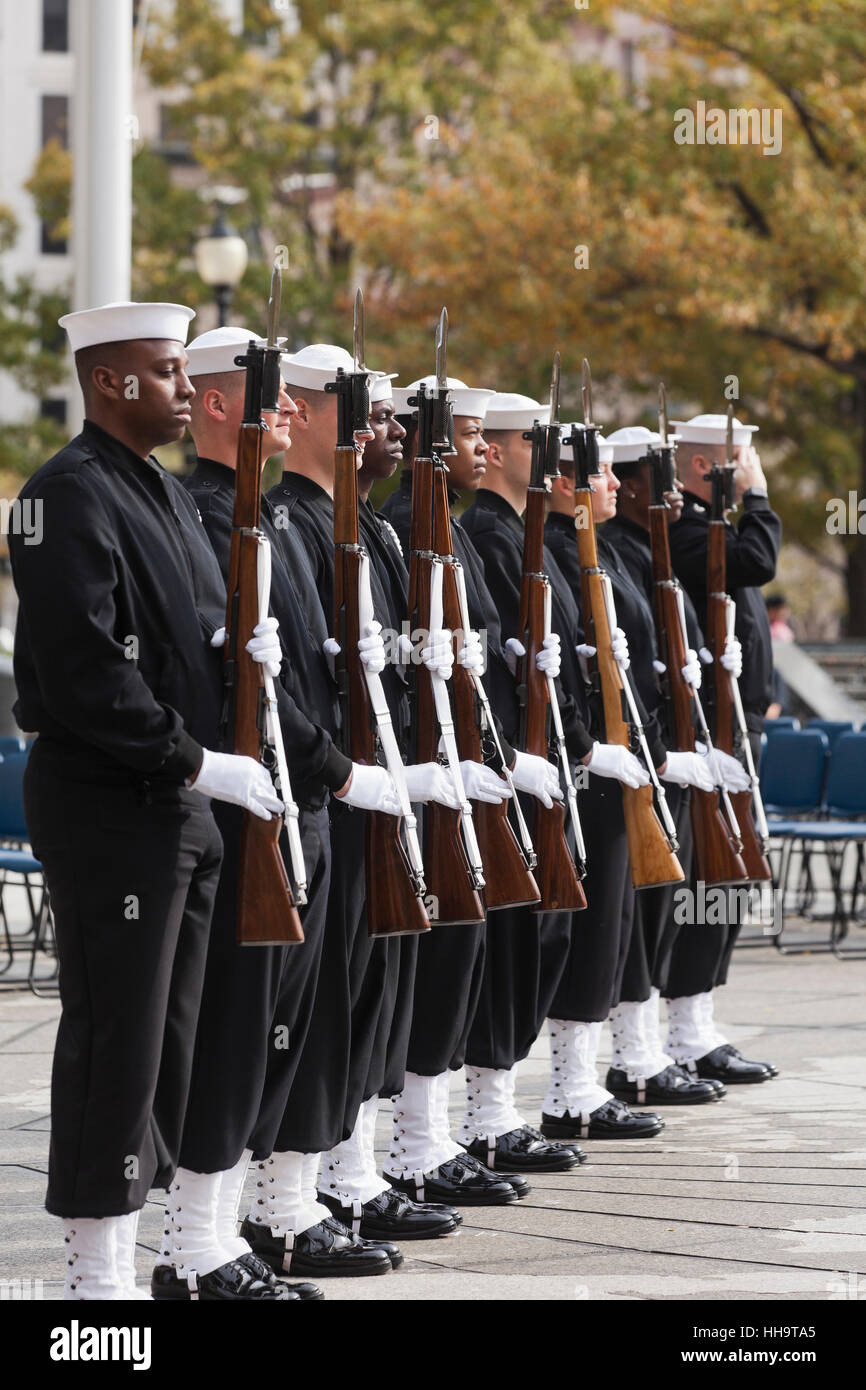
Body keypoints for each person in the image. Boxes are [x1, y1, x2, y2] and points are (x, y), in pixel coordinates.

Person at [10, 301, 284, 1300]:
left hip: (180, 804)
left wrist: (243, 660)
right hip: (113, 804)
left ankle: (180, 1247)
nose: (183, 389)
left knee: (176, 1039)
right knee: (116, 1040)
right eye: (165, 371)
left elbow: (187, 641)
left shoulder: (163, 497)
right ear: (108, 381)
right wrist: (193, 758)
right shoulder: (62, 497)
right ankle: (93, 1276)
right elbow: (84, 675)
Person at [260, 344, 462, 1253]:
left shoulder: (368, 528)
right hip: (327, 790)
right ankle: (283, 1195)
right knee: (321, 1003)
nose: (384, 433)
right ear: (304, 415)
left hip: (375, 786)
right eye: (366, 414)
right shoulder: (288, 522)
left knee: (375, 995)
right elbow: (300, 678)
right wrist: (343, 771)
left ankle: (352, 1171)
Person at [380, 378, 579, 1198]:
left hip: (480, 766)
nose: (482, 450)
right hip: (429, 776)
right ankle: (408, 1144)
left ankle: (458, 1126)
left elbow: (486, 648)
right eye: (466, 435)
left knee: (491, 949)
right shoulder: (410, 528)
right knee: (431, 965)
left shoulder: (461, 533)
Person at [666, 413, 781, 1082]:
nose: (751, 475)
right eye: (743, 462)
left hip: (740, 727)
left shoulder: (713, 532)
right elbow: (760, 561)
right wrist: (759, 497)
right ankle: (681, 1034)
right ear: (710, 467)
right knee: (709, 883)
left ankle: (698, 1025)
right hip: (712, 733)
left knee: (728, 888)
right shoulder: (688, 535)